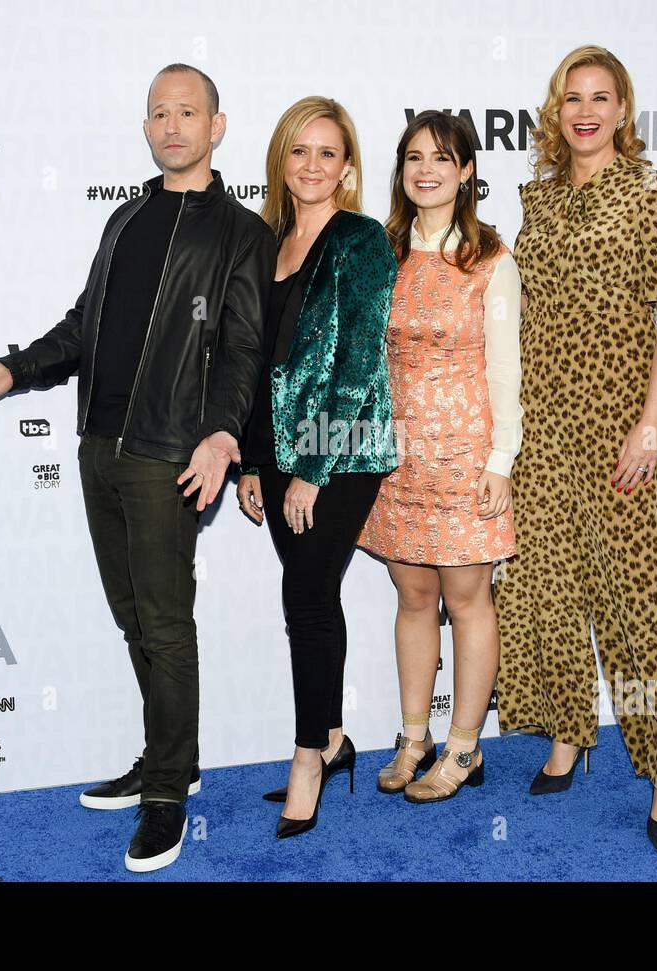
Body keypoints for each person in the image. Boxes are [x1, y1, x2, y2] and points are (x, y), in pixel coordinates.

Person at [0, 63, 275, 872]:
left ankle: (168, 797)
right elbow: (86, 324)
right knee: (134, 620)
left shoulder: (241, 232)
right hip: (100, 449)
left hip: (168, 456)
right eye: (158, 113)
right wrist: (14, 369)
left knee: (165, 623)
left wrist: (224, 434)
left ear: (217, 126)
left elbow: (245, 348)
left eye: (187, 112)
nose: (171, 126)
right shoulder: (123, 219)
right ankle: (169, 756)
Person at [495, 45, 657, 850]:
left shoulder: (656, 192)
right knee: (545, 584)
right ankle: (569, 735)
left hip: (621, 424)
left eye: (601, 96)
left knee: (639, 602)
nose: (585, 109)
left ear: (623, 110)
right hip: (541, 423)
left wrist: (651, 423)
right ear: (558, 109)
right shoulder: (538, 202)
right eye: (572, 96)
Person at [233, 96, 398, 839]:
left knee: (303, 588)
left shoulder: (361, 240)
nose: (311, 165)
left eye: (327, 152)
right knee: (313, 592)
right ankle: (331, 738)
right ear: (281, 161)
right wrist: (249, 457)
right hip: (273, 450)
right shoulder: (264, 243)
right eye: (299, 151)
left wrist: (312, 468)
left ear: (349, 167)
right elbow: (251, 359)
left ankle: (308, 757)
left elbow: (360, 362)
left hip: (340, 451)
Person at [357, 110, 522, 804]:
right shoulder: (379, 251)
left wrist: (501, 461)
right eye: (414, 157)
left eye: (443, 158)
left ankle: (463, 748)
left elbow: (506, 367)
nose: (427, 169)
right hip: (396, 459)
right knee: (414, 596)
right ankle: (413, 735)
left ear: (467, 172)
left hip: (466, 455)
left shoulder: (490, 258)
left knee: (467, 598)